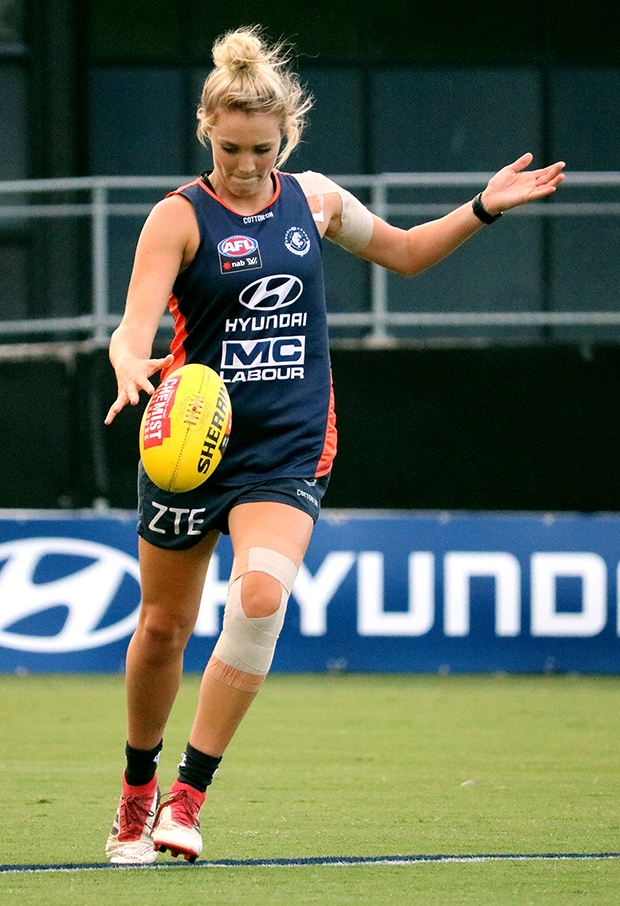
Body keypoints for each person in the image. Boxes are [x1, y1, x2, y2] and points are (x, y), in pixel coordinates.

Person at [103, 25, 565, 864]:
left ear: (287, 140)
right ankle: (136, 792)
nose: (246, 165)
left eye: (262, 149)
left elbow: (407, 256)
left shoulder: (313, 199)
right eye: (232, 148)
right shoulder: (176, 217)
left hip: (288, 443)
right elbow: (133, 328)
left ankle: (187, 800)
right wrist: (132, 366)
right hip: (189, 447)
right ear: (207, 132)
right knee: (164, 628)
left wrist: (484, 205)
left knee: (260, 600)